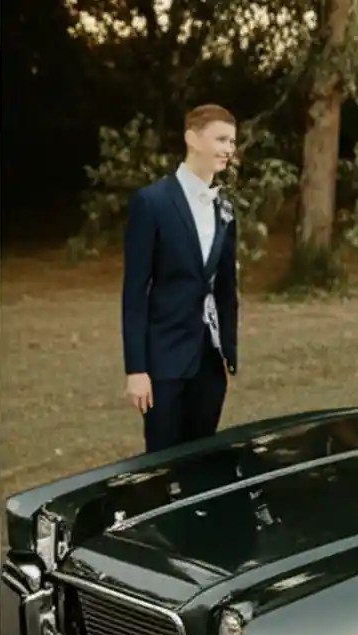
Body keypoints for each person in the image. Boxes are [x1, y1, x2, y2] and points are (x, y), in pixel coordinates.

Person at [122, 103, 240, 453]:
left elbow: (226, 287)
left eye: (232, 142)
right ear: (193, 138)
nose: (229, 149)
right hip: (164, 361)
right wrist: (137, 370)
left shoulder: (225, 207)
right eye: (221, 139)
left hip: (209, 362)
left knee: (203, 462)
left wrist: (228, 350)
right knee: (161, 466)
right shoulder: (152, 202)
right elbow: (134, 293)